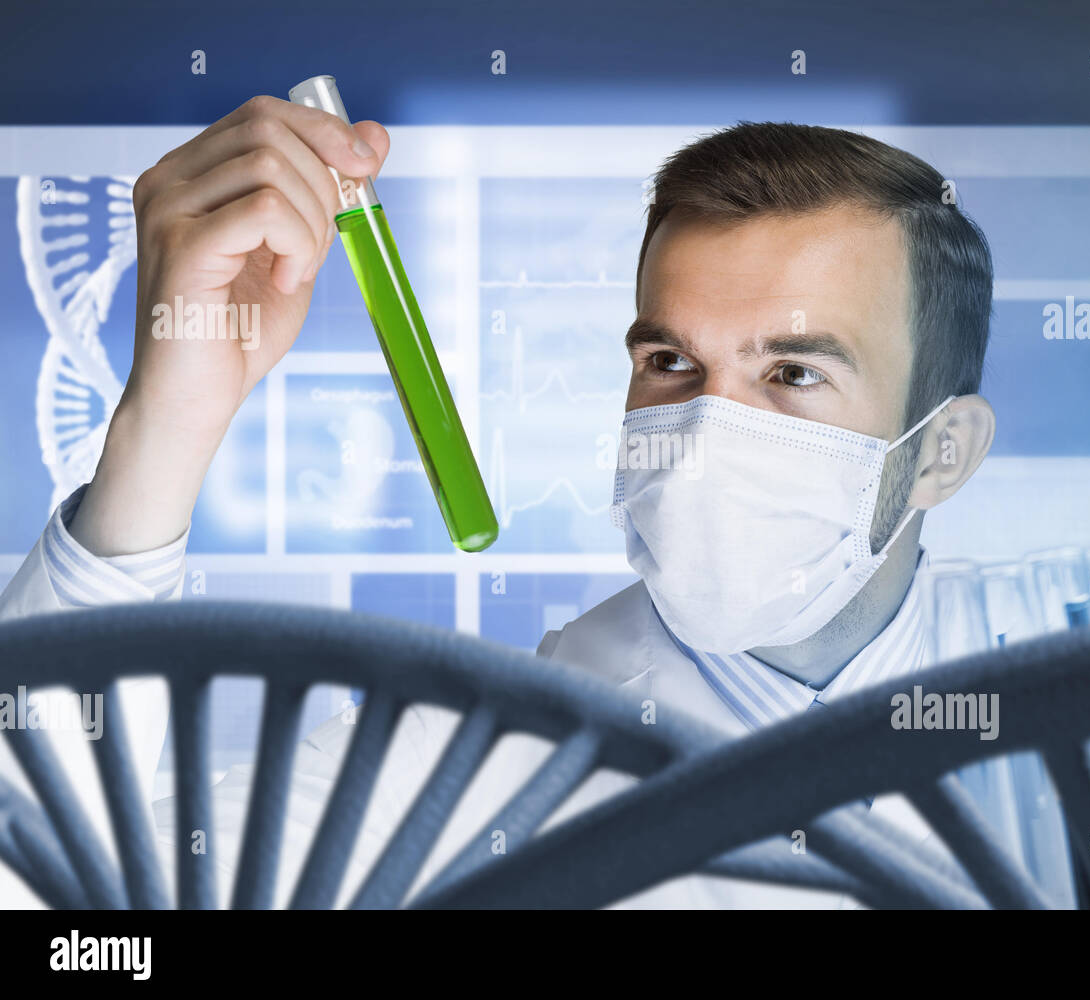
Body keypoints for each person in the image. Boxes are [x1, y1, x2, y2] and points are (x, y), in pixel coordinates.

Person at [0, 98, 995, 908]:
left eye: (791, 371)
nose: (704, 436)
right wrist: (164, 425)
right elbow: (47, 896)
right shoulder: (486, 756)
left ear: (940, 454)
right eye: (668, 362)